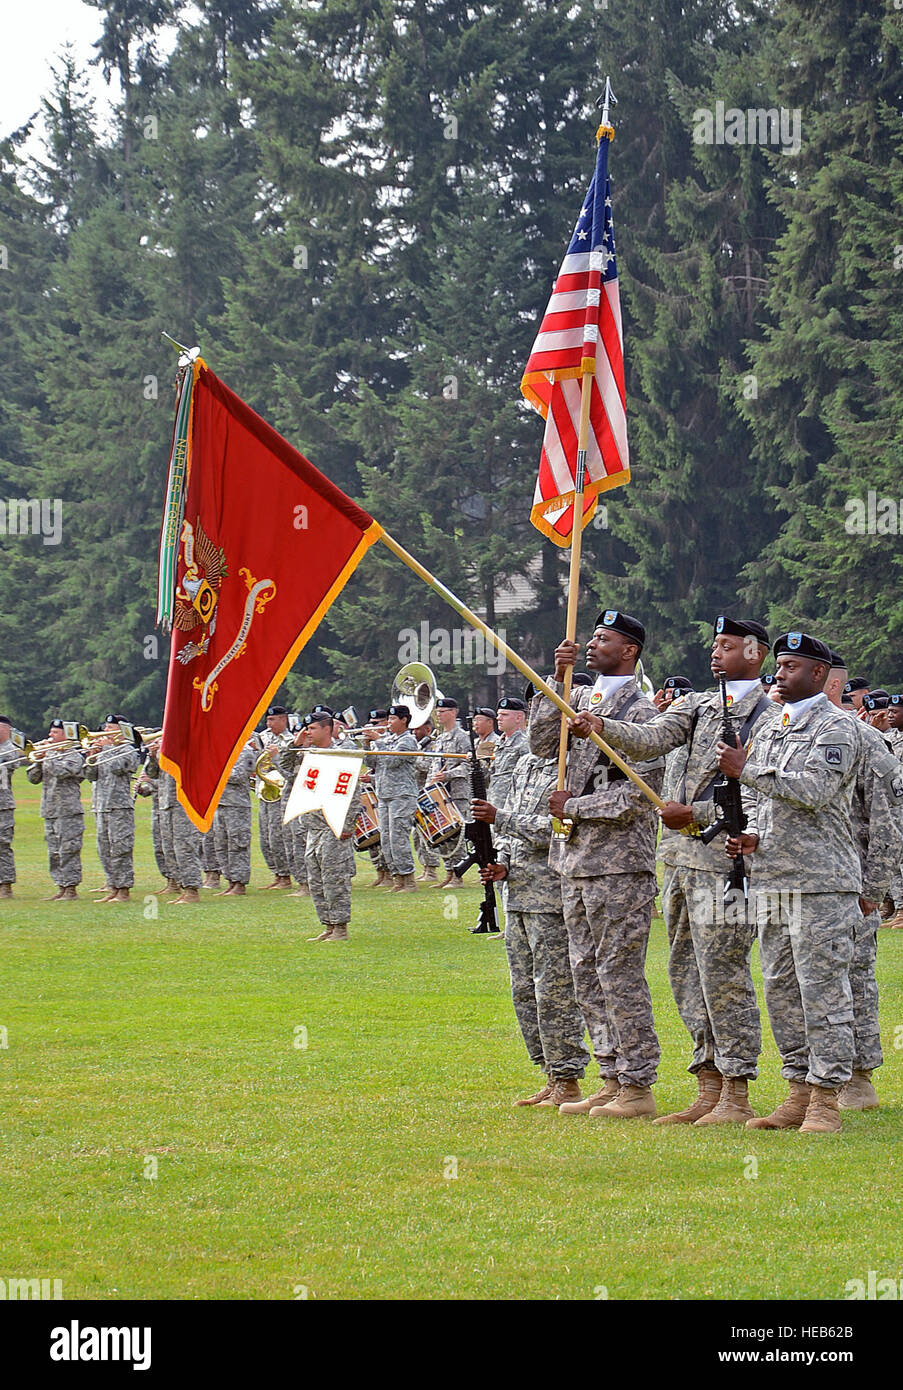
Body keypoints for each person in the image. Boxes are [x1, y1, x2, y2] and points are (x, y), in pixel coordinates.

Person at [719, 632, 863, 1133]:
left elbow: (816, 791)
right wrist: (753, 832)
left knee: (823, 991)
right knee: (782, 990)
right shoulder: (777, 726)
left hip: (822, 882)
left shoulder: (838, 727)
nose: (779, 674)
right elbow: (764, 800)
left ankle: (827, 1099)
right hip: (774, 880)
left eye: (792, 667)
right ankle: (798, 1090)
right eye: (778, 665)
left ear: (819, 675)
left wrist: (747, 768)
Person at [529, 609, 665, 1119]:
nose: (591, 644)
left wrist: (575, 808)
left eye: (603, 638)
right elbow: (540, 744)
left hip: (620, 863)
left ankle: (637, 1084)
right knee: (586, 973)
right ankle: (609, 1074)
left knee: (619, 973)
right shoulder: (581, 697)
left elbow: (640, 796)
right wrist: (554, 681)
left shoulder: (645, 713)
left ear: (629, 650)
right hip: (573, 861)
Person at [474, 752, 590, 1106]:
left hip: (550, 895)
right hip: (518, 894)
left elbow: (564, 828)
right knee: (523, 989)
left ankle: (568, 1077)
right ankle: (550, 1073)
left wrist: (502, 819)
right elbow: (506, 832)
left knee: (553, 990)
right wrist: (503, 864)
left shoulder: (571, 766)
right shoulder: (525, 763)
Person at [826, 659, 903, 1109]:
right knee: (804, 982)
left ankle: (858, 1078)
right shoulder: (785, 733)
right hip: (801, 881)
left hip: (852, 884)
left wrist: (874, 891)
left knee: (854, 978)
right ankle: (816, 1078)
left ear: (830, 682)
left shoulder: (869, 742)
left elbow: (888, 824)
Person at [302, 712, 364, 941]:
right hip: (314, 826)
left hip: (333, 827)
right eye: (307, 728)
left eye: (313, 728)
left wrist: (347, 824)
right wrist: (296, 742)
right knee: (315, 879)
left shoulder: (341, 754)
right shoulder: (308, 753)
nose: (308, 732)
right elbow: (286, 769)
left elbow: (354, 793)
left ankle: (340, 927)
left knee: (334, 877)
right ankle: (327, 924)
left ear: (328, 729)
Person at [26, 719, 86, 900]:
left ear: (66, 736)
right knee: (54, 852)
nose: (50, 736)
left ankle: (71, 888)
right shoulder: (48, 755)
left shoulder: (74, 756)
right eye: (51, 732)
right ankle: (60, 886)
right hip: (50, 809)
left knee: (69, 850)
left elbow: (62, 772)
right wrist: (38, 761)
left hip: (68, 810)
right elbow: (33, 778)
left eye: (55, 733)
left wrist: (46, 758)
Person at [83, 716, 140, 903]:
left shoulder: (128, 750)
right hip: (101, 806)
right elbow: (91, 775)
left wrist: (107, 749)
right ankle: (113, 886)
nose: (105, 731)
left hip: (119, 806)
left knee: (120, 848)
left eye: (110, 727)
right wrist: (91, 754)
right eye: (105, 727)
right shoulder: (103, 750)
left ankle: (123, 890)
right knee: (104, 849)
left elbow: (118, 768)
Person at [364, 705, 419, 891]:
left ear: (404, 720)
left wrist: (378, 740)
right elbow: (372, 763)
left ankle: (409, 879)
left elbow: (392, 761)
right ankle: (397, 878)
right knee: (386, 839)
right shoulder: (388, 740)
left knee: (398, 838)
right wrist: (367, 745)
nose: (389, 723)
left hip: (402, 794)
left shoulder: (408, 741)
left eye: (393, 719)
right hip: (384, 794)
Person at [145, 751, 203, 904]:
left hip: (182, 803)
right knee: (169, 849)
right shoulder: (162, 750)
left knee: (184, 848)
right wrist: (153, 757)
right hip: (165, 803)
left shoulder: (183, 749)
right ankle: (182, 886)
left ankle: (192, 890)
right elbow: (152, 774)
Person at [425, 697, 471, 889]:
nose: (439, 714)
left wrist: (448, 775)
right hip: (439, 794)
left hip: (456, 792)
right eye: (437, 711)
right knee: (443, 836)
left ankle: (458, 876)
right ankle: (449, 872)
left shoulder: (462, 737)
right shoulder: (441, 737)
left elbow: (469, 765)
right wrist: (429, 785)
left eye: (443, 711)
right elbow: (434, 765)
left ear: (454, 712)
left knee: (456, 835)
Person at [212, 739, 257, 895]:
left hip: (237, 805)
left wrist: (216, 769)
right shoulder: (221, 750)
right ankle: (230, 880)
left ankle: (240, 883)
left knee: (238, 844)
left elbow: (239, 776)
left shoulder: (244, 751)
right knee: (221, 844)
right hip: (220, 803)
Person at [258, 706, 293, 890]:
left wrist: (275, 756)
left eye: (273, 720)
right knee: (265, 838)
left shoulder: (290, 740)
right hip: (265, 791)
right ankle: (277, 874)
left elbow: (288, 767)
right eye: (268, 720)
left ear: (283, 720)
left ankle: (286, 876)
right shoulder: (263, 737)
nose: (269, 724)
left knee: (277, 837)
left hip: (280, 793)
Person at [412, 720, 441, 883]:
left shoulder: (433, 746)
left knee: (428, 832)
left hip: (426, 794)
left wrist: (412, 757)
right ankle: (425, 867)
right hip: (414, 793)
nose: (414, 732)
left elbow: (428, 766)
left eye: (417, 729)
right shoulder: (418, 746)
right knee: (416, 835)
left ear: (427, 729)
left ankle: (432, 869)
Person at [0, 716, 19, 898]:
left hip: (2, 805)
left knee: (2, 845)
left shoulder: (9, 750)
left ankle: (5, 885)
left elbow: (5, 772)